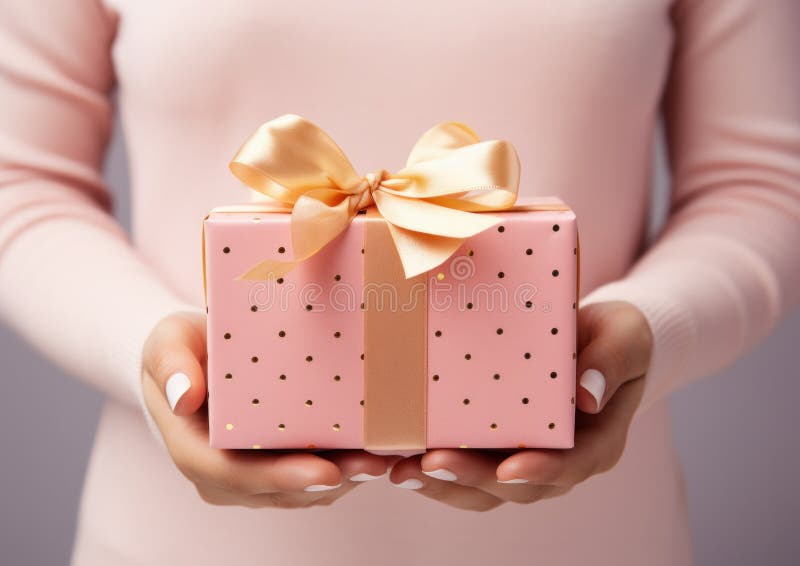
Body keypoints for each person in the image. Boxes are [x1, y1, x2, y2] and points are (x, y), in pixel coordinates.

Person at [1, 1, 798, 564]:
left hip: (595, 543)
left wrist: (649, 328)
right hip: (173, 545)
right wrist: (153, 350)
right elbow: (19, 182)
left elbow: (763, 185)